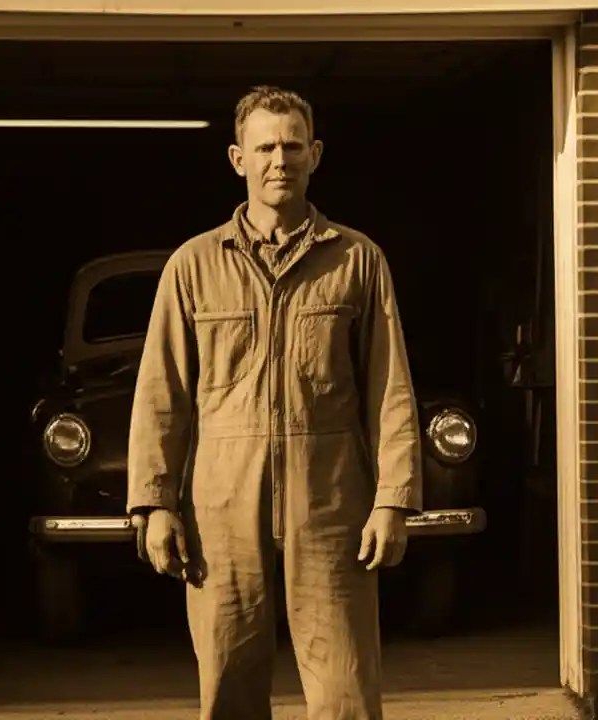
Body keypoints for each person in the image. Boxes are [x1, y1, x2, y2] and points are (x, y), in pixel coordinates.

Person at [126, 85, 422, 720]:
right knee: (228, 683)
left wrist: (394, 499)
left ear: (315, 154)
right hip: (222, 506)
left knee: (345, 688)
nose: (278, 160)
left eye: (292, 145)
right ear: (238, 159)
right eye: (264, 147)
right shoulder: (193, 266)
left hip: (331, 502)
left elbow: (389, 387)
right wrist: (154, 504)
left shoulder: (357, 261)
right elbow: (162, 394)